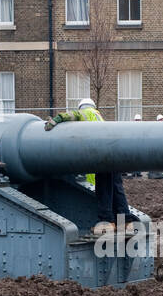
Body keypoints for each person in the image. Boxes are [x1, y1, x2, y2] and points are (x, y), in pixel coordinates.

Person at [45, 98, 128, 237]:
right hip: (113, 155)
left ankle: (107, 222)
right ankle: (125, 221)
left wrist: (56, 120)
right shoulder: (98, 116)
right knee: (116, 189)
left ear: (81, 107)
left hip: (102, 157)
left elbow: (69, 116)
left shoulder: (83, 113)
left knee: (104, 190)